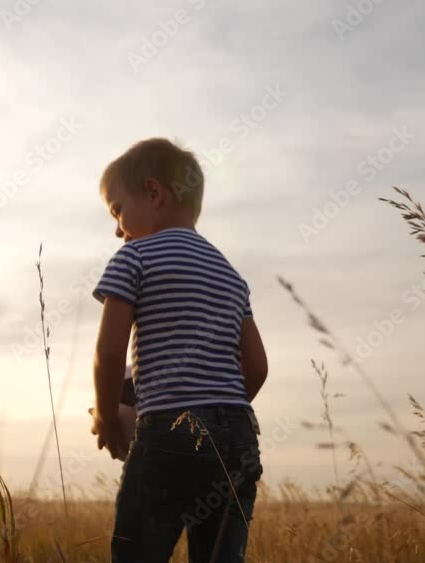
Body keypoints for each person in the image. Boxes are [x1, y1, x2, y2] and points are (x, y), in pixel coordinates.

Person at [90, 138, 269, 562]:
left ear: (154, 193)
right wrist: (219, 409)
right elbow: (257, 366)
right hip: (238, 437)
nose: (117, 229)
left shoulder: (134, 257)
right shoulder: (230, 275)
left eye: (117, 211)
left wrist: (107, 417)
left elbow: (110, 352)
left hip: (167, 435)